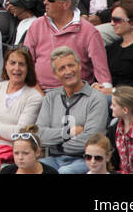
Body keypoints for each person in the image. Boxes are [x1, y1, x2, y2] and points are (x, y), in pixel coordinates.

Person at [34, 45, 110, 173]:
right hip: (51, 158)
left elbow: (92, 138)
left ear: (79, 66)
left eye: (71, 65)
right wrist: (70, 132)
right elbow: (40, 135)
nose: (68, 71)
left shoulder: (96, 98)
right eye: (62, 68)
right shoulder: (50, 98)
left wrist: (57, 144)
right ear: (55, 74)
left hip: (84, 160)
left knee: (64, 172)